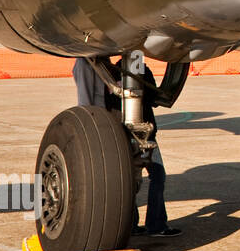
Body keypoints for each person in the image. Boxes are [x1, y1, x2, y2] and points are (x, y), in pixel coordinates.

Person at [70, 58, 180, 238]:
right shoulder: (114, 74)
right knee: (155, 176)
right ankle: (155, 224)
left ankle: (134, 224)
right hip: (138, 133)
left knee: (133, 181)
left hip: (128, 134)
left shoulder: (108, 75)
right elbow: (154, 98)